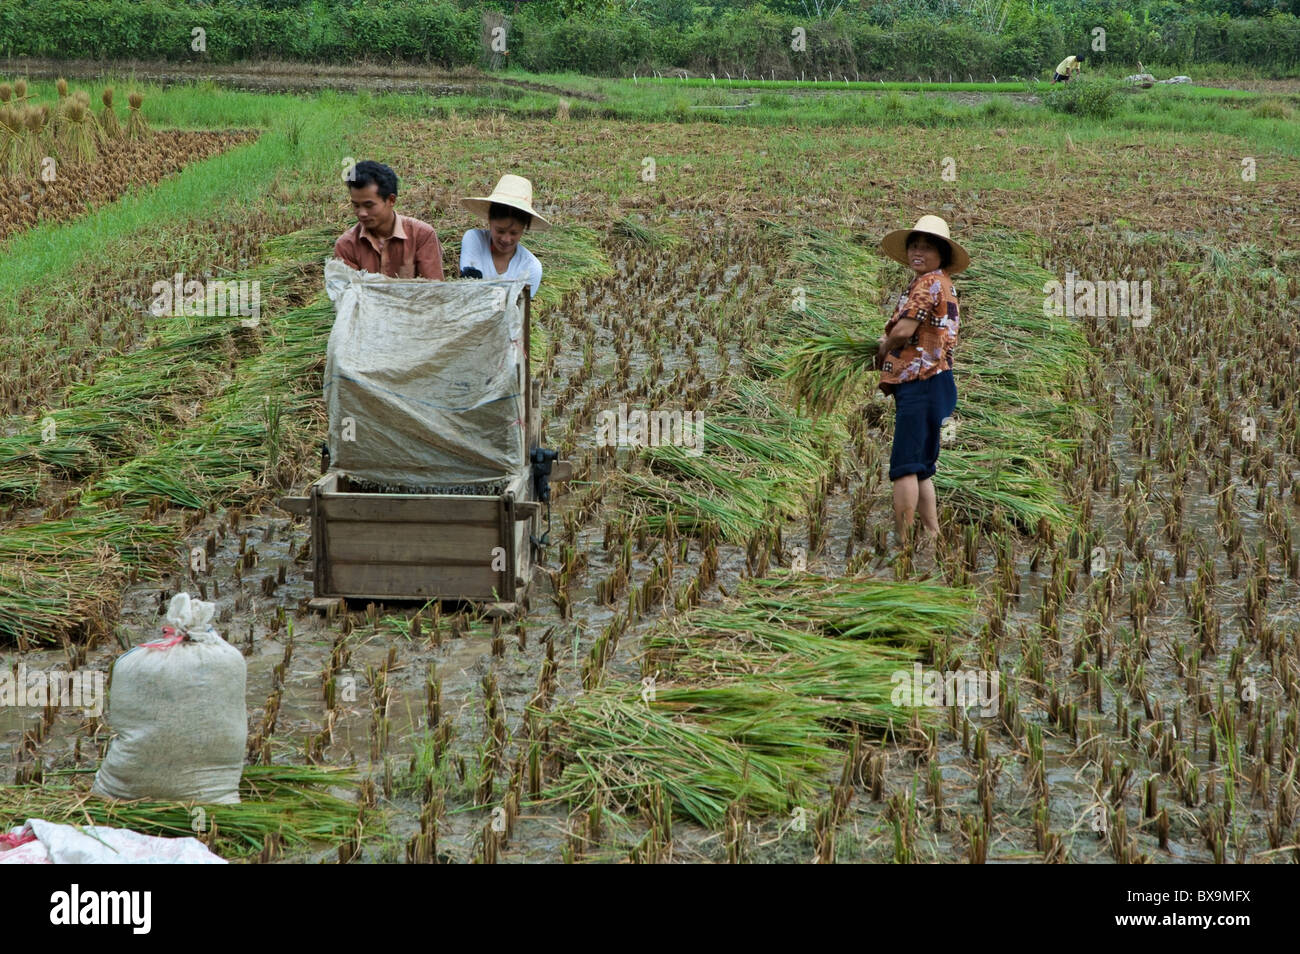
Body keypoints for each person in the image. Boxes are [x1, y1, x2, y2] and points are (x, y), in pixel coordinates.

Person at [875, 215, 968, 547]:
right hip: (938, 383)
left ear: (941, 254)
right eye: (914, 245)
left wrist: (883, 347)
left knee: (903, 467)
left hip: (922, 382)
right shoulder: (941, 282)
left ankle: (903, 542)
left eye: (927, 247)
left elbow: (904, 331)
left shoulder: (928, 282)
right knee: (922, 466)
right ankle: (931, 536)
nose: (918, 251)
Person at [334, 160, 444, 279]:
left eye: (369, 205)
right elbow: (348, 293)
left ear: (391, 200)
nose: (362, 213)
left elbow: (434, 289)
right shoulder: (346, 245)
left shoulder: (422, 235)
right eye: (356, 205)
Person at [458, 174, 548, 299]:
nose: (506, 239)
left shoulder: (530, 267)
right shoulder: (474, 239)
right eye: (500, 231)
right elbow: (470, 290)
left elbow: (518, 311)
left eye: (514, 233)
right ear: (489, 221)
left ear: (523, 229)